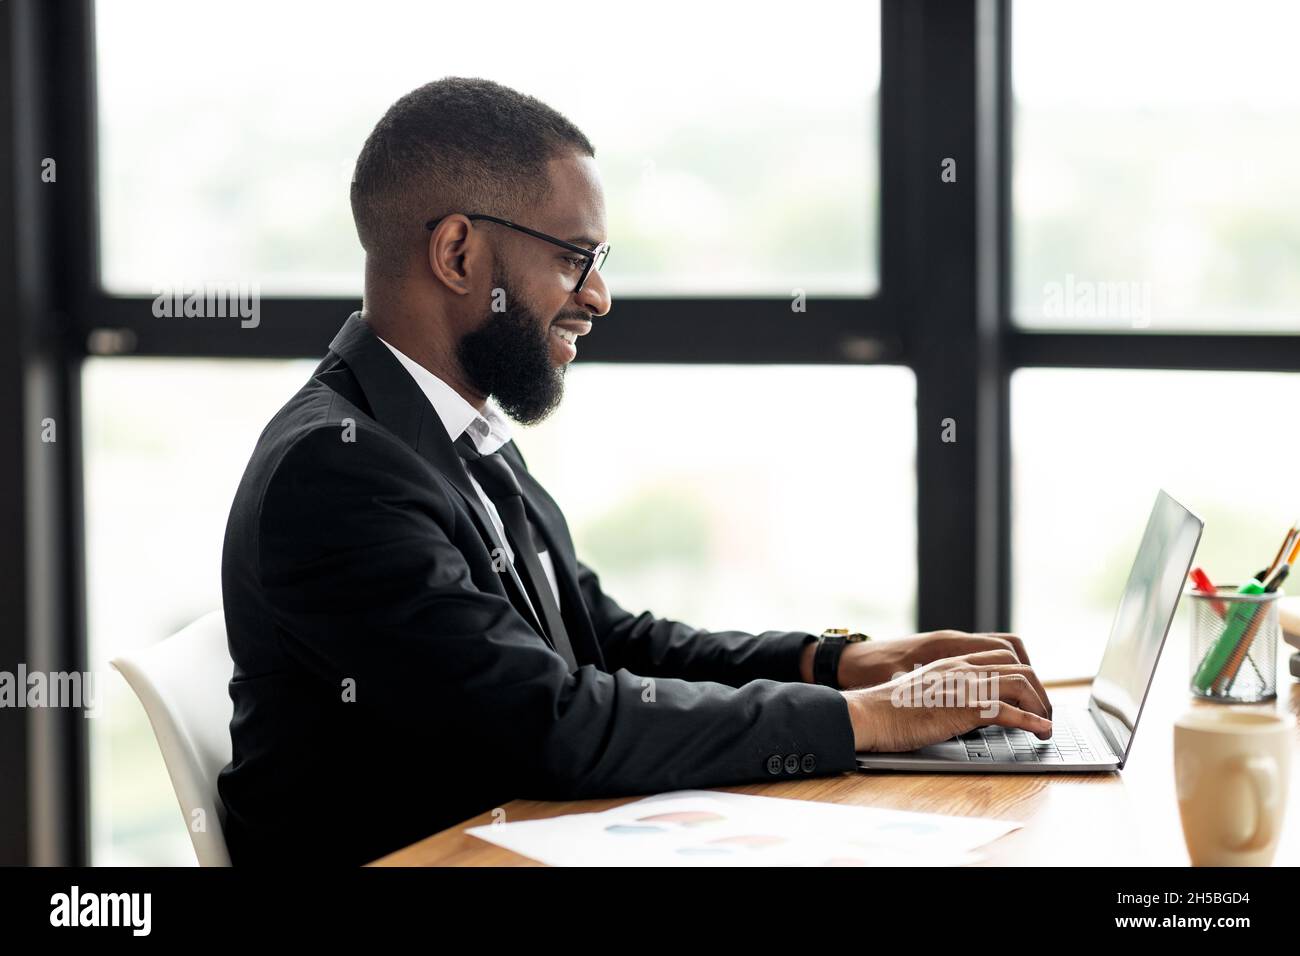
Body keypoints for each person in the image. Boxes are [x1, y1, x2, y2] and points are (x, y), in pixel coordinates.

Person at [218, 77, 1052, 866]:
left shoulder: (448, 429)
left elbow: (606, 643)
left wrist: (830, 664)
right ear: (459, 254)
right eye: (573, 258)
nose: (599, 295)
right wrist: (865, 720)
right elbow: (544, 725)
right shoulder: (337, 471)